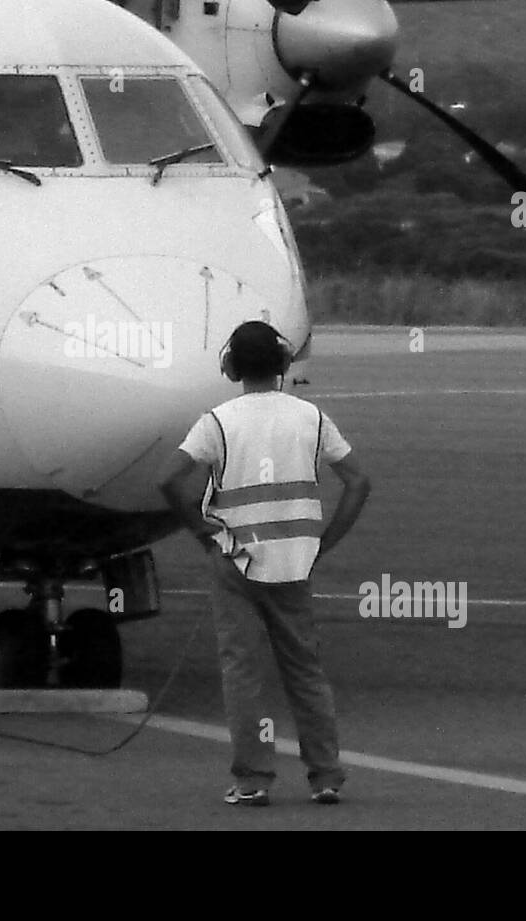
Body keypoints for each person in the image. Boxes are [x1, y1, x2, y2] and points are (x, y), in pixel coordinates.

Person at [157, 320, 371, 807]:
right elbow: (358, 481)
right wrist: (324, 541)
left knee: (243, 671)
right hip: (295, 562)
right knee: (305, 669)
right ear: (282, 365)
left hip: (236, 559)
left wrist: (202, 532)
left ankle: (253, 779)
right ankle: (325, 776)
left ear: (230, 367)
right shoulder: (311, 418)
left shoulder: (217, 421)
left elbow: (168, 480)